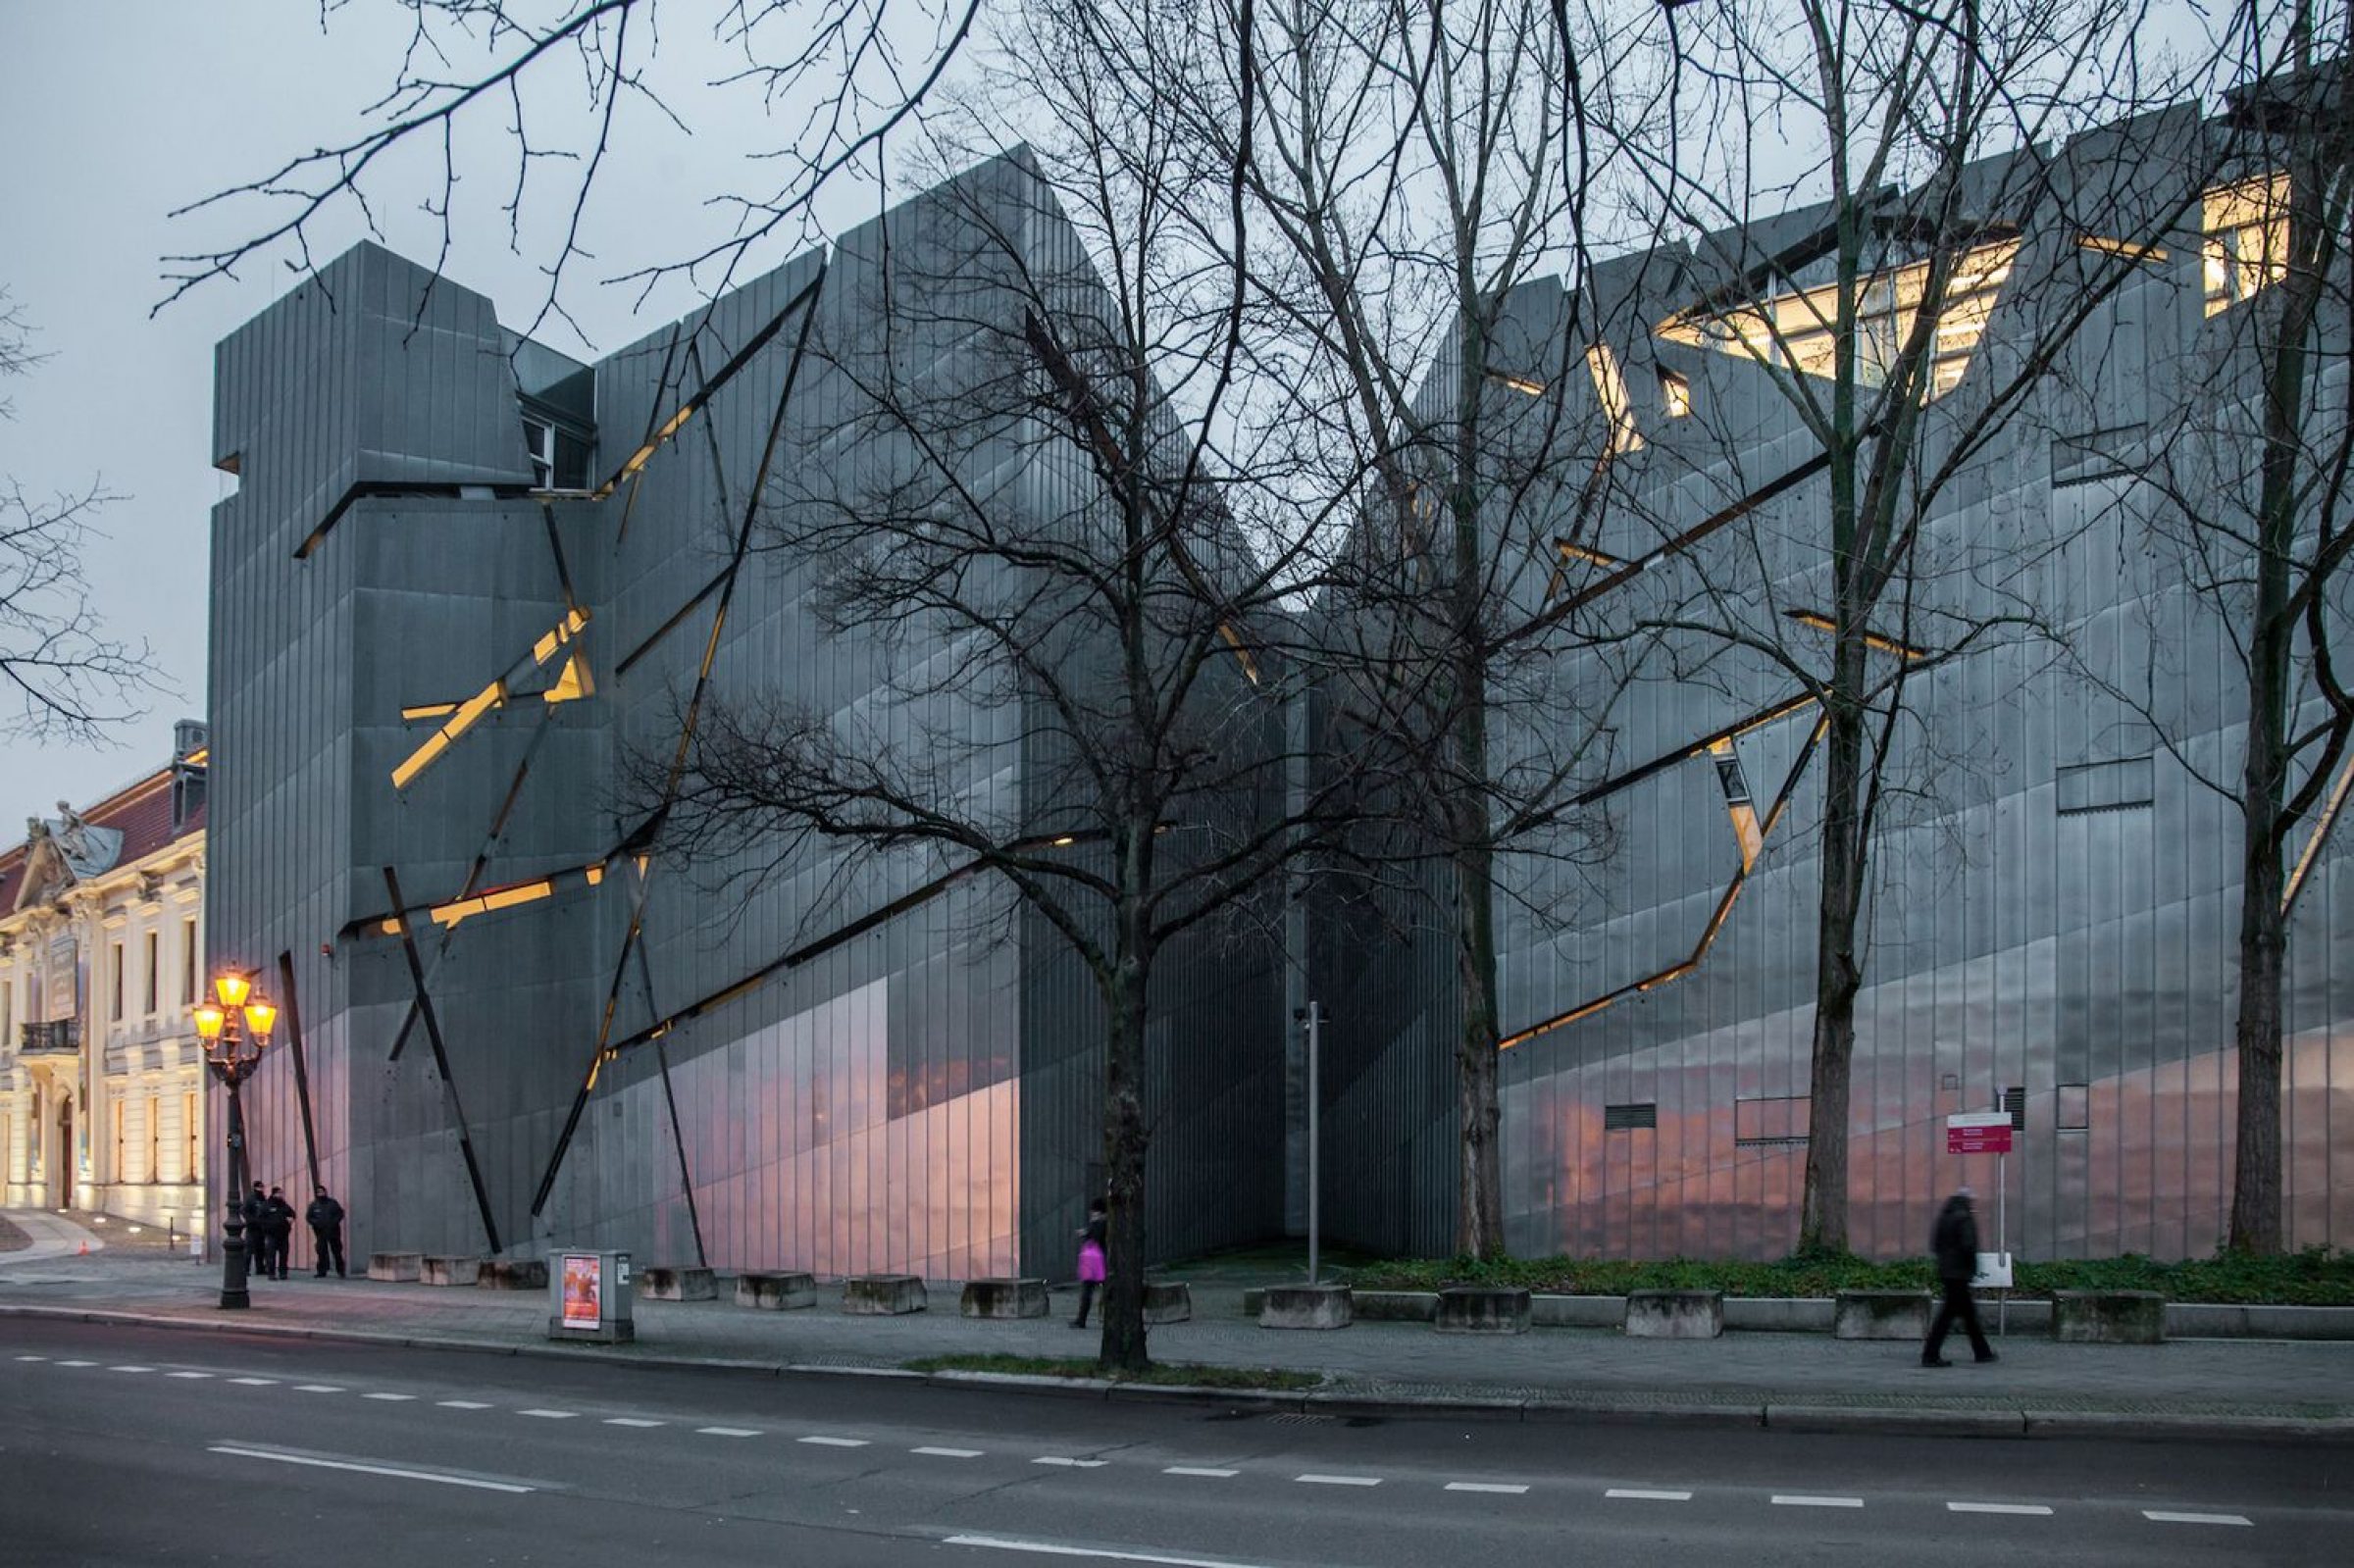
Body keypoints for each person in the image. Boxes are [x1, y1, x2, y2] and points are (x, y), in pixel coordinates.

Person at [1922, 1186, 1997, 1367]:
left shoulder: (1945, 1216)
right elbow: (1968, 1245)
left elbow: (1935, 1245)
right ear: (1967, 1201)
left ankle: (1982, 1352)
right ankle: (1930, 1355)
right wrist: (1972, 1267)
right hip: (1959, 1273)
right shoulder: (1964, 1218)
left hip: (1947, 1272)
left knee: (1968, 1316)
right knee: (1949, 1316)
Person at [1070, 1198, 1107, 1329]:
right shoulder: (1103, 1223)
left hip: (1097, 1261)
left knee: (1088, 1290)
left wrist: (1087, 1232)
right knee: (1091, 1290)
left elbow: (1096, 1237)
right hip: (1100, 1260)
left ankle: (1082, 1319)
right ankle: (1083, 1319)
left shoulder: (1101, 1223)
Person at [307, 1186, 348, 1279]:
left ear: (325, 1192)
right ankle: (321, 1271)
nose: (320, 1194)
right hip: (320, 1232)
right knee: (321, 1252)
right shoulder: (314, 1205)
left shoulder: (332, 1203)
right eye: (318, 1192)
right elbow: (309, 1217)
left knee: (337, 1251)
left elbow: (340, 1213)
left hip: (334, 1232)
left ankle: (341, 1271)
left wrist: (334, 1222)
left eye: (322, 1192)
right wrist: (316, 1223)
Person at [263, 1186, 296, 1281]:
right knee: (271, 1255)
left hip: (283, 1234)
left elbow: (292, 1213)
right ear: (274, 1194)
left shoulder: (284, 1205)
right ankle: (271, 1273)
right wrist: (267, 1228)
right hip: (271, 1234)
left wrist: (291, 1218)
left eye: (282, 1193)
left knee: (284, 1254)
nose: (281, 1195)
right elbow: (261, 1218)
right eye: (279, 1193)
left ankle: (283, 1273)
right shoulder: (267, 1205)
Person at [240, 1182, 270, 1285]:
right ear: (255, 1188)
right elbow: (243, 1211)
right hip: (252, 1228)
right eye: (259, 1187)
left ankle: (260, 1268)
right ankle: (245, 1269)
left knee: (260, 1249)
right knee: (249, 1249)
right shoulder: (250, 1199)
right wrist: (251, 1220)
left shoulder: (263, 1199)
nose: (261, 1189)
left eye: (262, 1187)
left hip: (261, 1228)